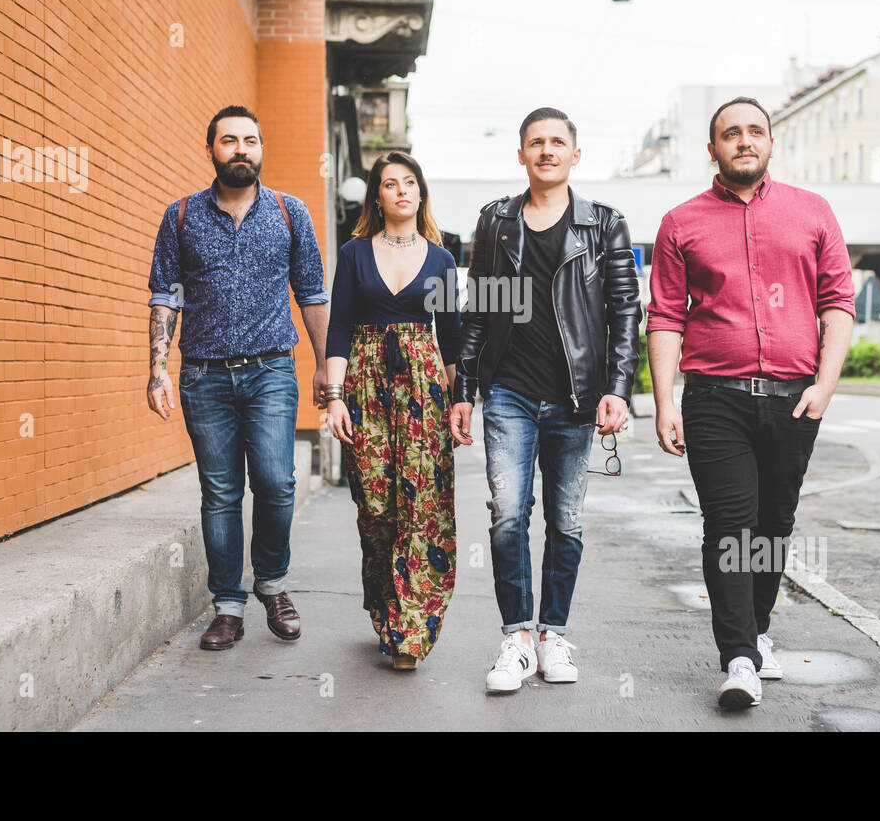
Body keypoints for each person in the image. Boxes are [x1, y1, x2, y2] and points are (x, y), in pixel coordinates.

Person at [646, 96, 855, 708]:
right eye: (730, 133)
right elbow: (664, 317)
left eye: (754, 131)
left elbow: (837, 303)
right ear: (711, 148)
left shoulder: (813, 213)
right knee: (729, 525)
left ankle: (757, 632)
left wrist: (824, 386)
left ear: (770, 143)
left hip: (794, 400)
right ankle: (737, 656)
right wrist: (665, 403)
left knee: (772, 526)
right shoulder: (681, 222)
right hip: (716, 398)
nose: (744, 140)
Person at [450, 107, 641, 693]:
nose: (547, 150)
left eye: (558, 142)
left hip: (576, 397)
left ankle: (553, 632)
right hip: (508, 391)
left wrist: (618, 388)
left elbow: (625, 311)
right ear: (522, 154)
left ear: (575, 155)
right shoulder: (496, 222)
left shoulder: (602, 223)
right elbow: (479, 310)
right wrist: (463, 391)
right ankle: (518, 639)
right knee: (508, 515)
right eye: (537, 142)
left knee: (567, 519)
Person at [146, 105, 329, 651]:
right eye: (229, 140)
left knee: (276, 482)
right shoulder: (180, 216)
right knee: (220, 492)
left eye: (251, 139)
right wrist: (156, 366)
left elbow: (313, 294)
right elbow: (165, 295)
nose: (241, 148)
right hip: (202, 377)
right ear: (211, 150)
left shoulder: (290, 212)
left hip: (272, 370)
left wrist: (325, 365)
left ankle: (271, 584)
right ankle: (228, 605)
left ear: (261, 148)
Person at [324, 152, 460, 670]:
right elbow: (338, 327)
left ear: (420, 192)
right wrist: (334, 397)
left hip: (424, 390)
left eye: (409, 182)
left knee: (422, 507)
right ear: (376, 197)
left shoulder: (442, 261)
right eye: (389, 184)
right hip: (365, 387)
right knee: (377, 509)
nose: (401, 190)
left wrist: (459, 402)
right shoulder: (355, 253)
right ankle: (384, 603)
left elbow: (450, 339)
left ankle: (411, 630)